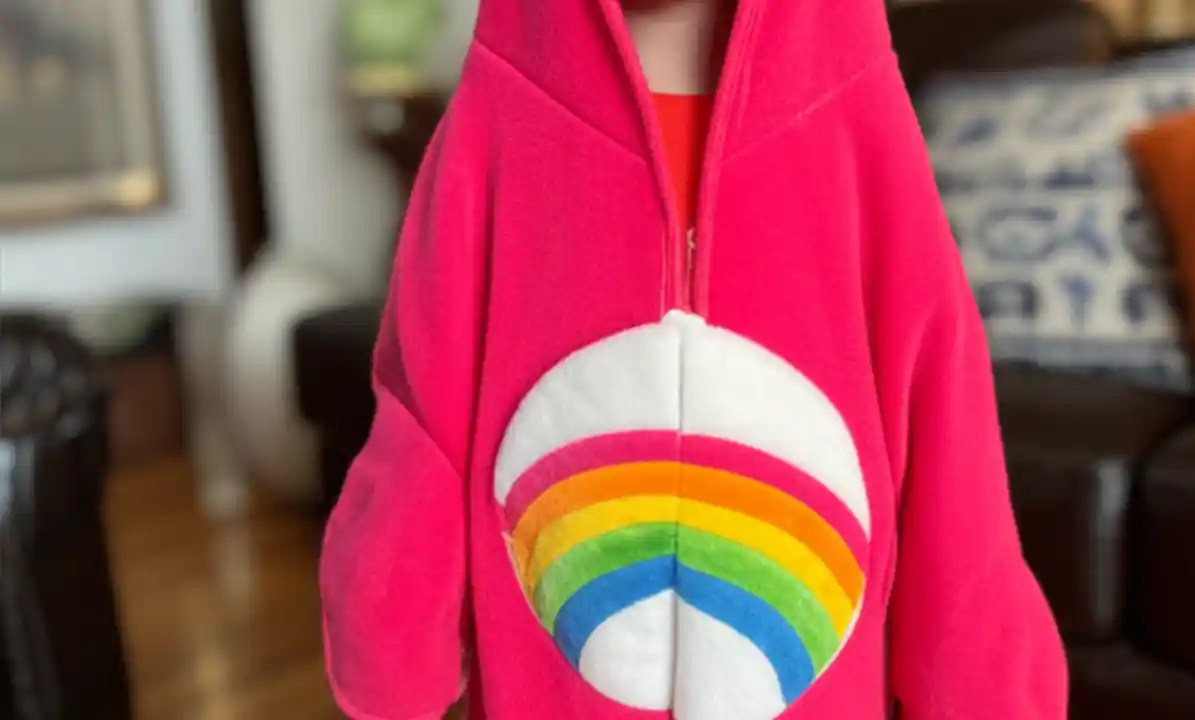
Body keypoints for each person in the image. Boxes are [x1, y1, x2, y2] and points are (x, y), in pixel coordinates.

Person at [319, 1, 1068, 718]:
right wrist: (391, 662)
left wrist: (980, 690)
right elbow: (422, 416)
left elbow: (945, 426)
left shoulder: (856, 122)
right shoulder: (497, 126)